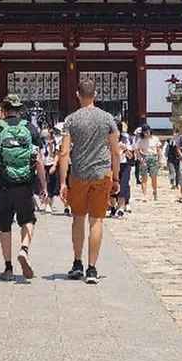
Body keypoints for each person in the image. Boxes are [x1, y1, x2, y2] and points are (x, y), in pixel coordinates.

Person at [0, 93, 46, 282]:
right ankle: (24, 249)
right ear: (20, 109)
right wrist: (44, 185)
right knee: (28, 220)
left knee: (4, 227)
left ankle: (8, 267)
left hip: (1, 186)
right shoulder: (30, 129)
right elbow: (38, 160)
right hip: (24, 184)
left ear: (4, 110)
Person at [58, 79, 120, 285]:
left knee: (78, 218)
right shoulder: (107, 118)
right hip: (102, 173)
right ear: (95, 94)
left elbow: (65, 152)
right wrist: (117, 176)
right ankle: (92, 268)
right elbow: (115, 151)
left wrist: (63, 182)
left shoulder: (71, 120)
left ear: (78, 95)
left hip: (80, 174)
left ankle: (77, 263)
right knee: (96, 220)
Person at [135, 124, 161, 201]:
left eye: (148, 132)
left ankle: (155, 191)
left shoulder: (155, 139)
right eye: (145, 132)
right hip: (144, 158)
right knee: (144, 178)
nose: (147, 134)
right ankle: (144, 195)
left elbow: (159, 150)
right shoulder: (140, 141)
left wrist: (159, 161)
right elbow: (136, 150)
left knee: (154, 177)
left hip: (153, 157)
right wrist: (141, 159)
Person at [37, 127, 61, 214]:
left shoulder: (55, 142)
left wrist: (54, 165)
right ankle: (46, 203)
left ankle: (50, 202)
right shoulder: (40, 142)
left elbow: (57, 153)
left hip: (51, 165)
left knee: (53, 185)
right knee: (44, 184)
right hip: (43, 165)